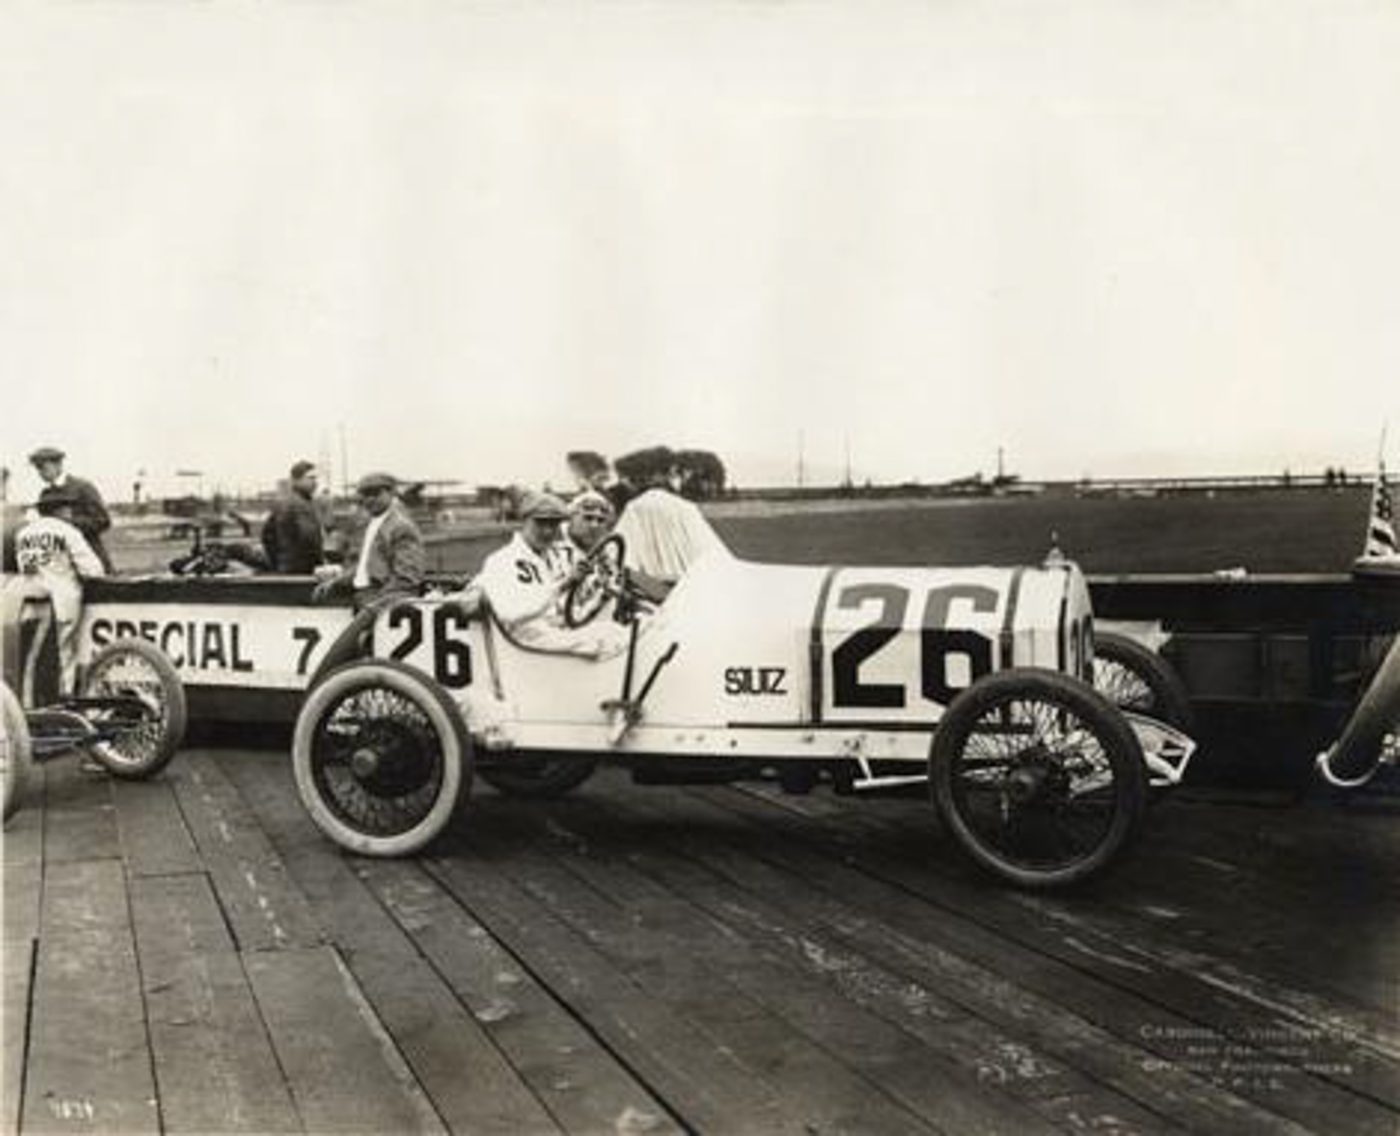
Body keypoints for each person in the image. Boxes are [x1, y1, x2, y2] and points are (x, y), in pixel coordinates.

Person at [471, 490, 623, 657]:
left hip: (553, 636)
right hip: (523, 645)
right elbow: (509, 614)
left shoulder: (553, 558)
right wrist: (563, 586)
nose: (547, 531)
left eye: (553, 524)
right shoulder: (502, 560)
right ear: (524, 521)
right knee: (611, 640)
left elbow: (570, 612)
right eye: (540, 523)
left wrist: (600, 598)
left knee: (614, 631)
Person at [14, 490, 106, 693]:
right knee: (64, 657)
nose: (71, 512)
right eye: (67, 507)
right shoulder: (67, 531)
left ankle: (32, 703)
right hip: (62, 601)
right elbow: (94, 570)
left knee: (34, 658)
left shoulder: (23, 534)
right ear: (59, 509)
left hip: (29, 602)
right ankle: (63, 703)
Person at [312, 472, 425, 609]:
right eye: (365, 494)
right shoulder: (371, 524)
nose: (370, 499)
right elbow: (365, 567)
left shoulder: (401, 527)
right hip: (363, 597)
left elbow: (407, 578)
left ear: (391, 493)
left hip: (380, 600)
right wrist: (336, 583)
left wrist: (378, 604)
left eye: (376, 493)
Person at [29, 446, 114, 573]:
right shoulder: (45, 495)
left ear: (58, 465)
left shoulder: (83, 487)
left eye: (43, 467)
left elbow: (103, 521)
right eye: (37, 469)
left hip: (89, 558)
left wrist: (70, 521)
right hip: (61, 564)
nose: (40, 472)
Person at [261, 460, 325, 573]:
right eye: (310, 478)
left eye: (316, 478)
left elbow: (267, 535)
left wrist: (277, 561)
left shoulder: (302, 502)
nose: (315, 482)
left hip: (291, 567)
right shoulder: (295, 504)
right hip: (299, 569)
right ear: (296, 480)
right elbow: (309, 539)